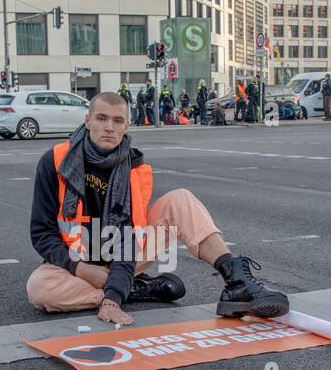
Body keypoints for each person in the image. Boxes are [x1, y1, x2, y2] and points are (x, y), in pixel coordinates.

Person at [25, 92, 290, 325]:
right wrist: (82, 269)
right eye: (101, 119)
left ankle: (236, 281)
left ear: (126, 125)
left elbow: (128, 239)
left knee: (180, 199)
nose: (109, 127)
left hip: (126, 256)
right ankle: (136, 289)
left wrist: (111, 300)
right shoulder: (55, 160)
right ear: (88, 121)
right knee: (39, 289)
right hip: (76, 261)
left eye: (117, 121)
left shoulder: (133, 167)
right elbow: (42, 233)